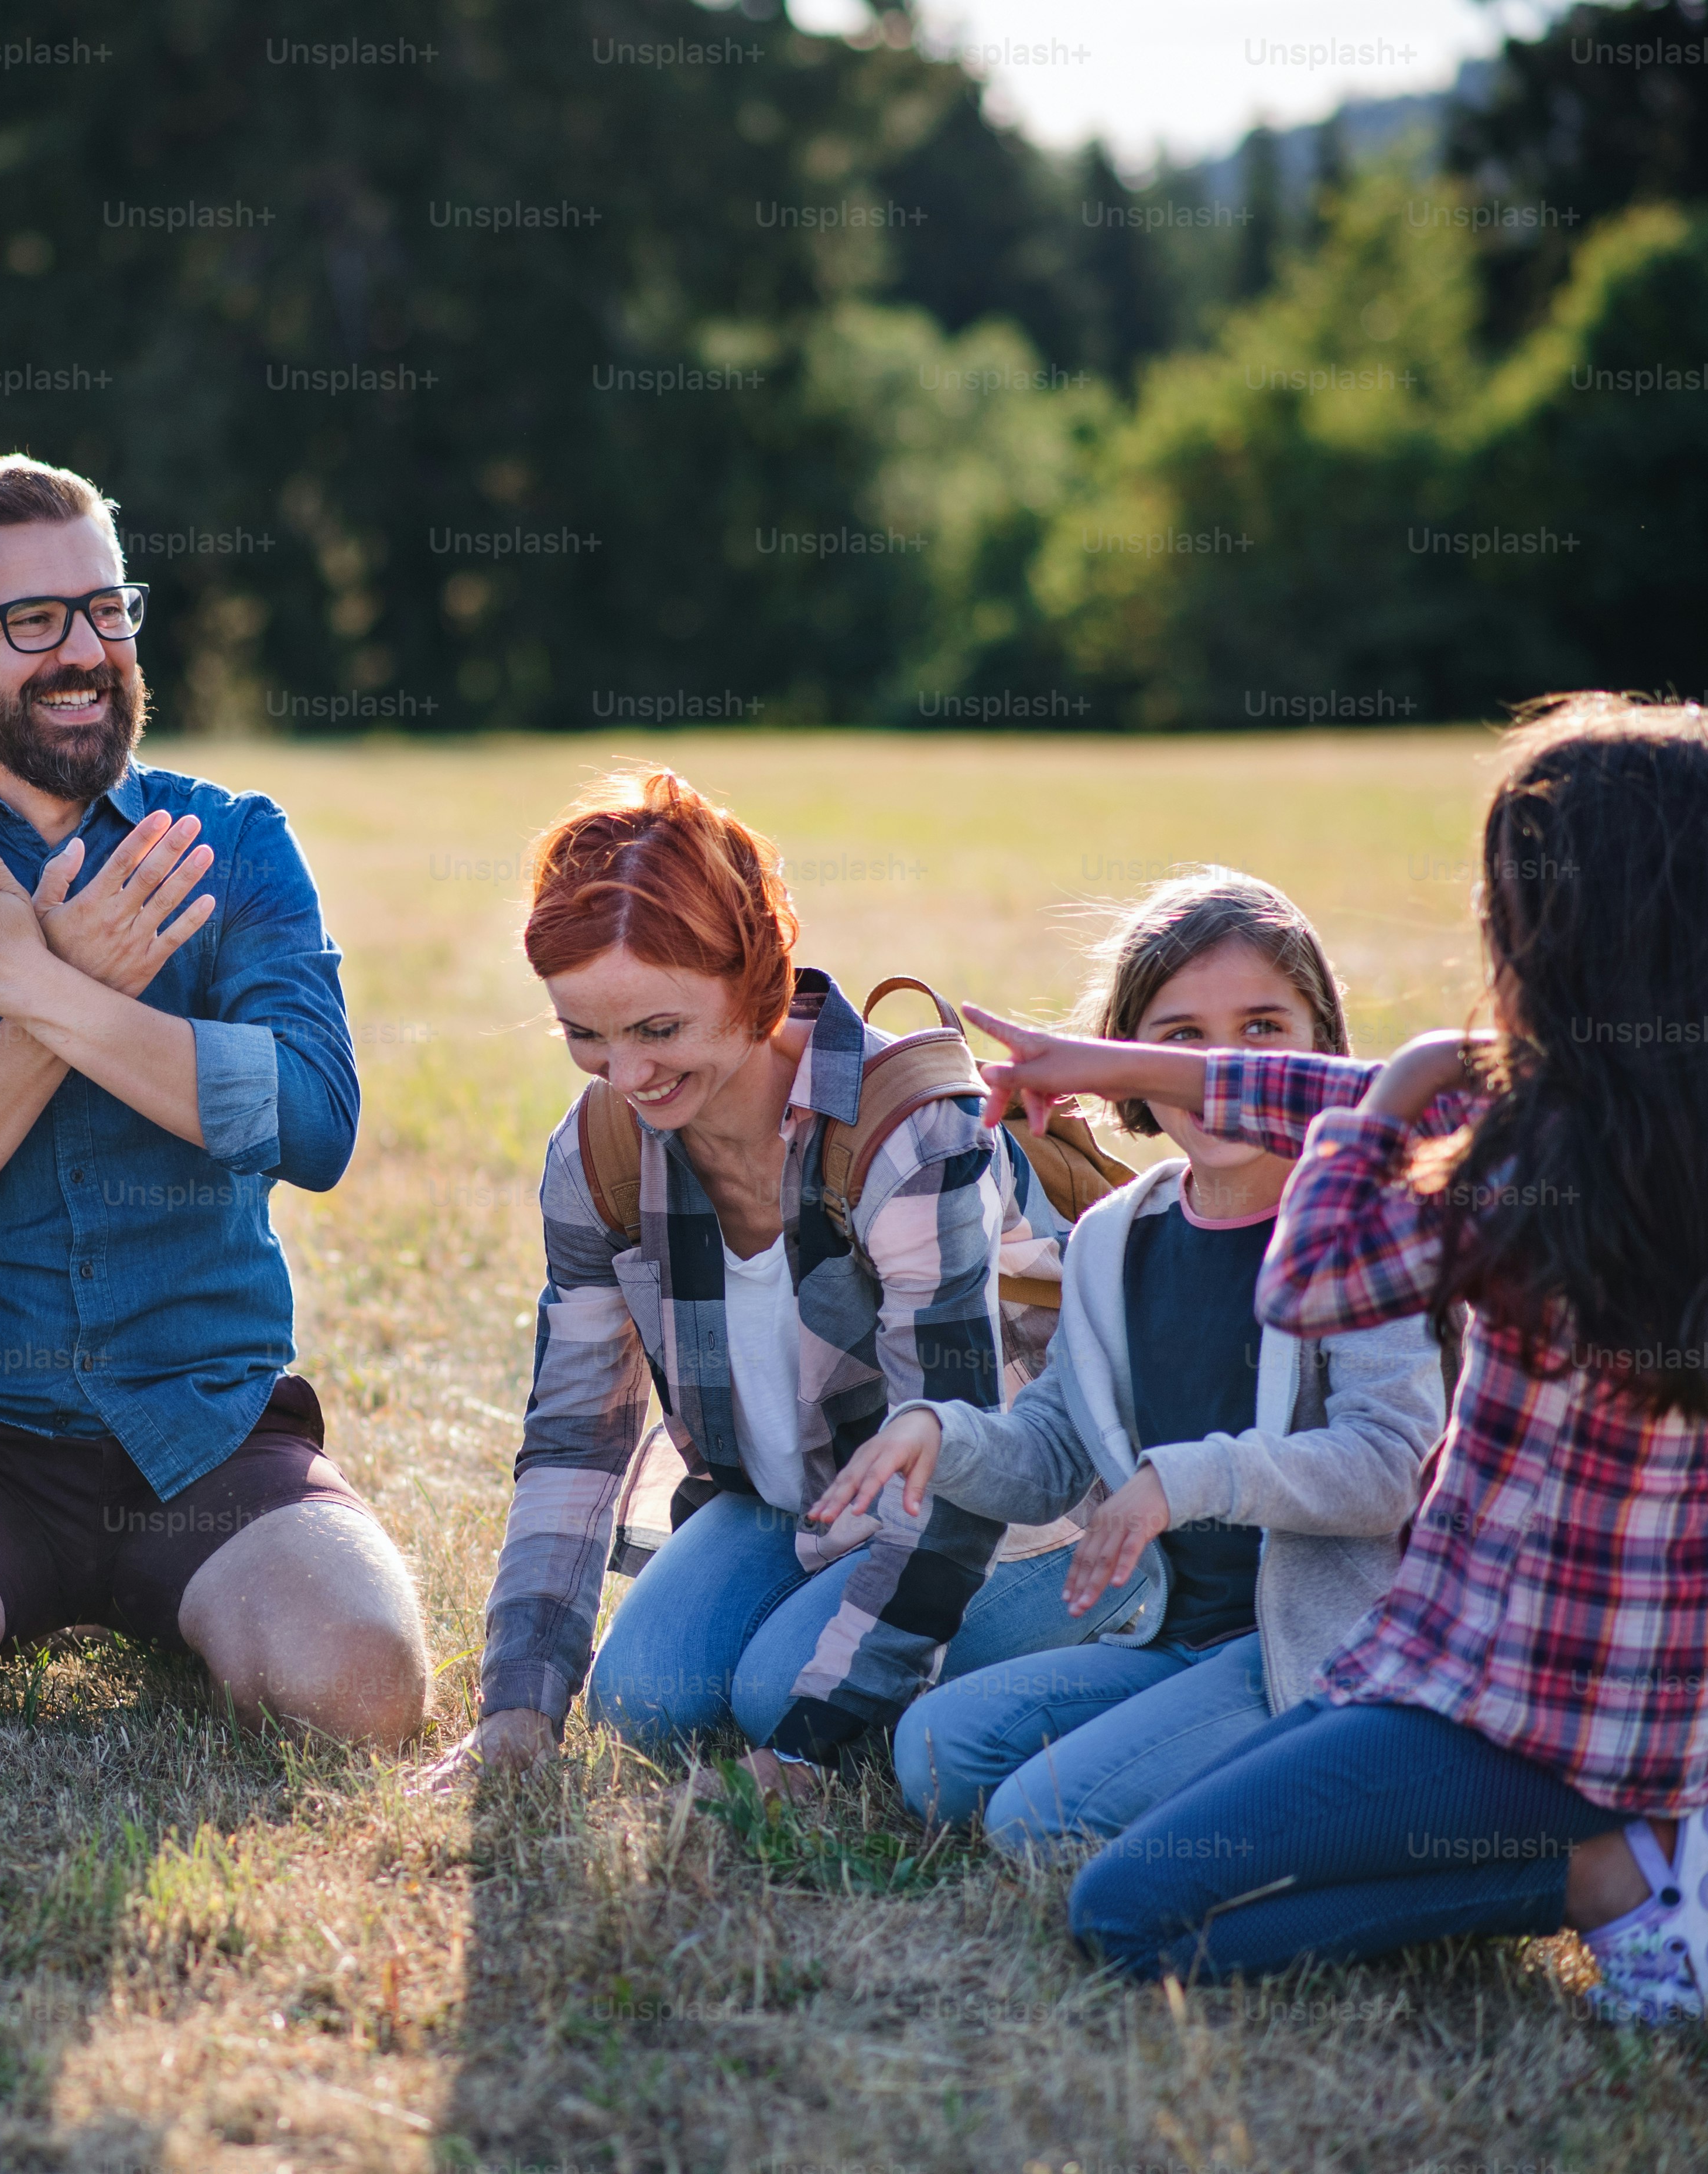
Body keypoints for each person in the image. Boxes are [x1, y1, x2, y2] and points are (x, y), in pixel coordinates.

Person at [978, 697, 1708, 2023]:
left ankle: (1611, 1871)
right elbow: (1328, 1085)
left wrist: (1407, 1079)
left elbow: (1308, 1278)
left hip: (1513, 1713)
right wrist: (1113, 1061)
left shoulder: (1519, 1157)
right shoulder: (1617, 1113)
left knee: (1132, 1910)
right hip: (1577, 1692)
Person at [0, 453, 429, 1766]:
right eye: (31, 622)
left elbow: (315, 1125)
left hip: (208, 1424)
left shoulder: (230, 845)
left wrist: (35, 982)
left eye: (106, 608)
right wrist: (44, 999)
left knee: (362, 1691)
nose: (86, 650)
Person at [449, 765, 1117, 1799]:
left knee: (775, 1699)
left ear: (754, 976)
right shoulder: (598, 1154)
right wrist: (517, 1712)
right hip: (794, 1497)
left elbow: (959, 1466)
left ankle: (1125, 1621)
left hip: (1026, 1503)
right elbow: (577, 1436)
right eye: (584, 1034)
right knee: (647, 1701)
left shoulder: (909, 1130)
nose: (624, 1078)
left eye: (657, 1031)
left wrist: (802, 1747)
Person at [818, 871, 1443, 1846]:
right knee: (937, 1752)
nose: (1221, 1065)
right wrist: (941, 1432)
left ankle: (1350, 1789)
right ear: (1124, 1060)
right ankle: (1217, 1761)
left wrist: (1183, 1478)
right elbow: (1056, 1452)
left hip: (1312, 1645)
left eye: (1263, 1027)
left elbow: (1385, 1471)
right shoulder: (1116, 1234)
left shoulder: (1366, 1220)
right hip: (1166, 1630)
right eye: (1181, 1037)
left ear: (1324, 1047)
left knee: (1037, 1823)